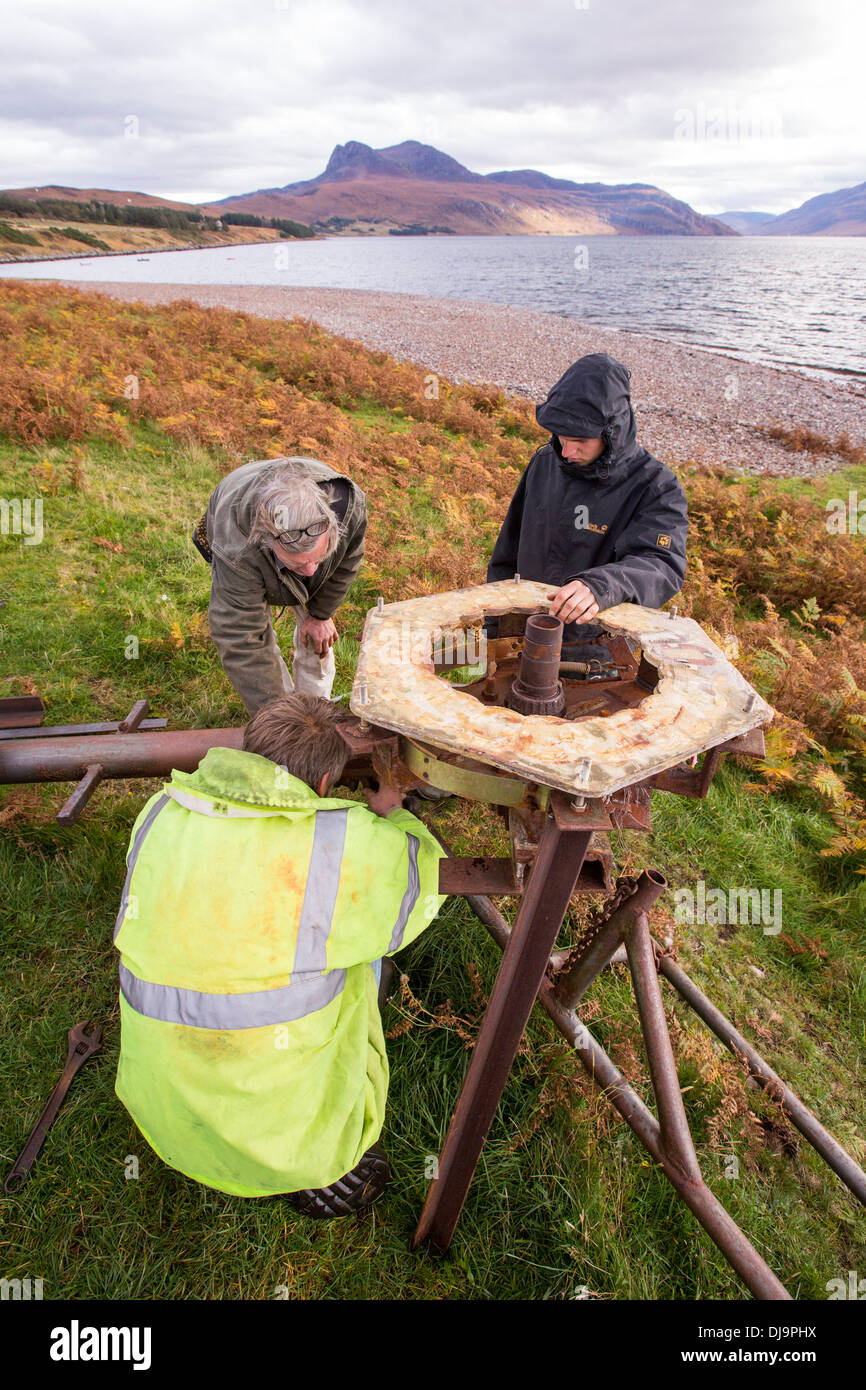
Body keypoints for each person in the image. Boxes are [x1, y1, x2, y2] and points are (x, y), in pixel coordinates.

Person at [113, 692, 446, 1217]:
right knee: (366, 947)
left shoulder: (159, 810)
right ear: (320, 786)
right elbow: (421, 893)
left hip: (158, 1109)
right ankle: (315, 1169)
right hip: (281, 1137)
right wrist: (393, 817)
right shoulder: (340, 840)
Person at [487, 353, 688, 660]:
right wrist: (494, 631)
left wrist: (600, 585)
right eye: (561, 437)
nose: (567, 451)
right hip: (521, 639)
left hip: (595, 652)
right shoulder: (545, 463)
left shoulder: (657, 486)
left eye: (580, 440)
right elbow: (507, 554)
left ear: (612, 431)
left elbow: (662, 564)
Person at [192, 456, 367, 715]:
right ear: (265, 542)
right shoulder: (237, 549)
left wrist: (321, 614)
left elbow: (348, 560)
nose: (309, 572)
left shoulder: (350, 509)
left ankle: (315, 706)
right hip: (235, 510)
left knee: (317, 630)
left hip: (290, 501)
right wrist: (278, 718)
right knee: (257, 633)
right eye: (296, 566)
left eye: (319, 559)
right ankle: (287, 708)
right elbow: (242, 639)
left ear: (332, 528)